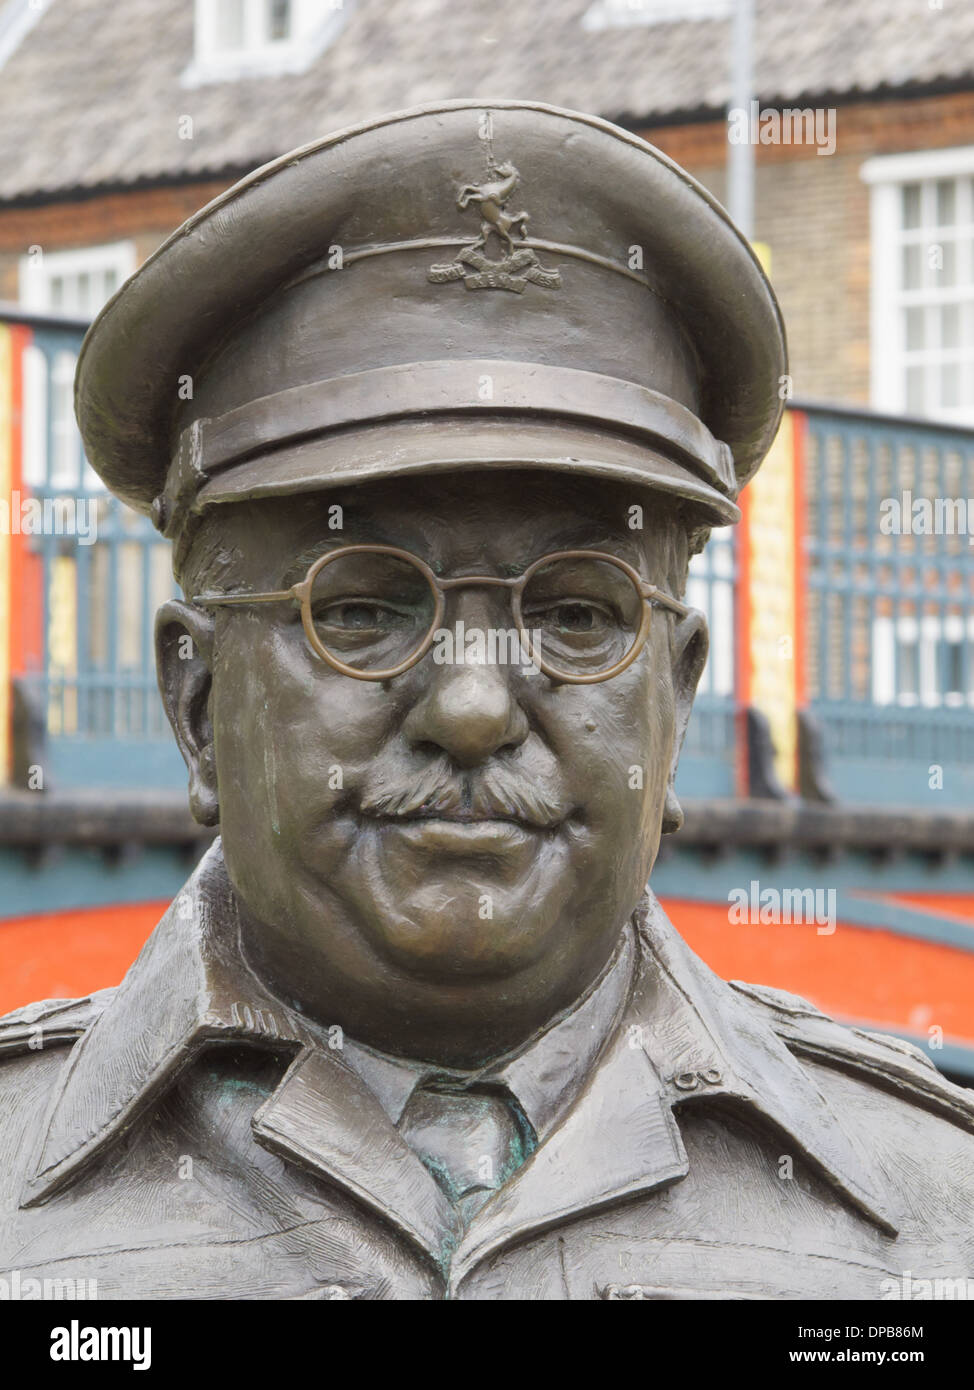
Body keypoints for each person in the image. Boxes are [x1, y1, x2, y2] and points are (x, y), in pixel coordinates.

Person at [2, 101, 972, 1301]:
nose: (470, 707)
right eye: (358, 609)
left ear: (674, 706)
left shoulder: (934, 1215)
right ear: (196, 704)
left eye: (575, 614)